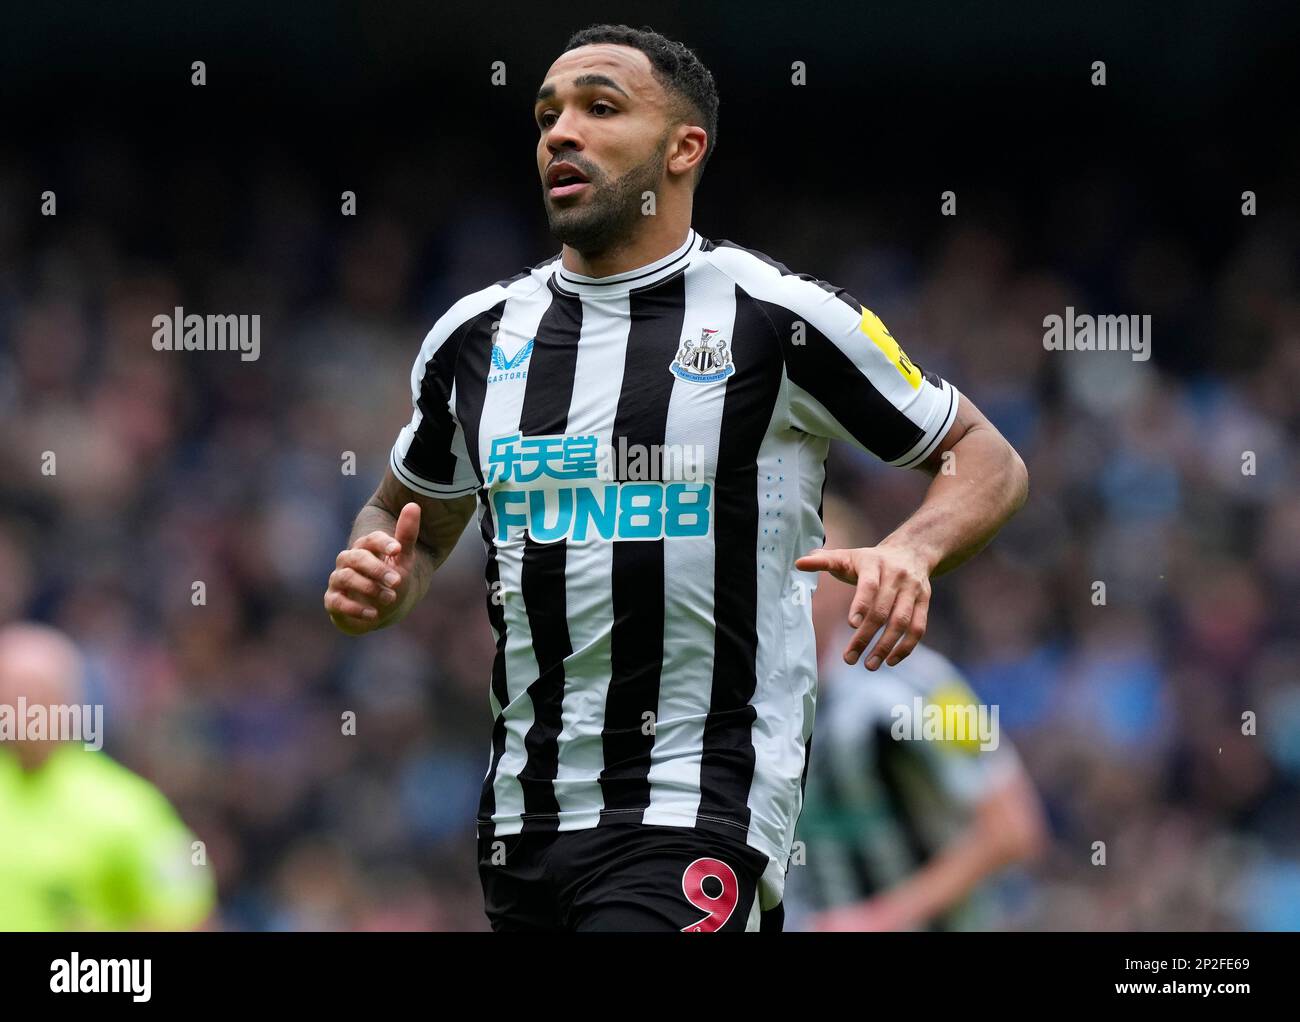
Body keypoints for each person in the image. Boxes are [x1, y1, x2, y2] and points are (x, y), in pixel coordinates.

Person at [323, 23, 1028, 931]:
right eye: (546, 115)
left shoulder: (776, 318)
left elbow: (987, 458)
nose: (559, 133)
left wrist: (913, 549)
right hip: (522, 822)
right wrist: (377, 573)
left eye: (599, 107)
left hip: (700, 806)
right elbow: (401, 515)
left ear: (684, 148)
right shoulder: (476, 336)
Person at [785, 496, 1046, 931]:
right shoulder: (752, 695)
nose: (803, 591)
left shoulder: (925, 685)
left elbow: (1014, 827)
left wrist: (881, 918)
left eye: (820, 575)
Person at [0, 622, 215, 931]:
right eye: (5, 691)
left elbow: (188, 915)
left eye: (29, 692)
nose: (13, 706)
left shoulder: (126, 805)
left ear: (67, 700)